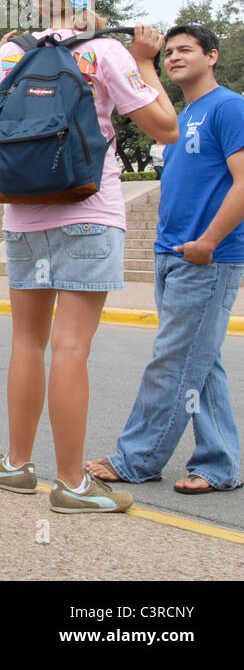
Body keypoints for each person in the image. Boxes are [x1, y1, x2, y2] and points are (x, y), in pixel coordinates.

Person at [0, 0, 177, 513]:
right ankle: (72, 484)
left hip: (23, 216)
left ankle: (14, 465)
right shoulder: (105, 52)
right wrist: (147, 64)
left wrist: (6, 59)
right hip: (90, 211)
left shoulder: (14, 52)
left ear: (37, 3)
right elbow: (165, 128)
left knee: (27, 342)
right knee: (72, 347)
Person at [87, 25, 244, 494]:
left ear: (212, 56)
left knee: (172, 362)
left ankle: (138, 458)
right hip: (171, 254)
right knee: (201, 360)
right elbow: (152, 98)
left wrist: (209, 242)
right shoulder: (185, 114)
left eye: (185, 50)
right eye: (169, 51)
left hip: (207, 258)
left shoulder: (229, 107)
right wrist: (145, 60)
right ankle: (219, 464)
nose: (175, 57)